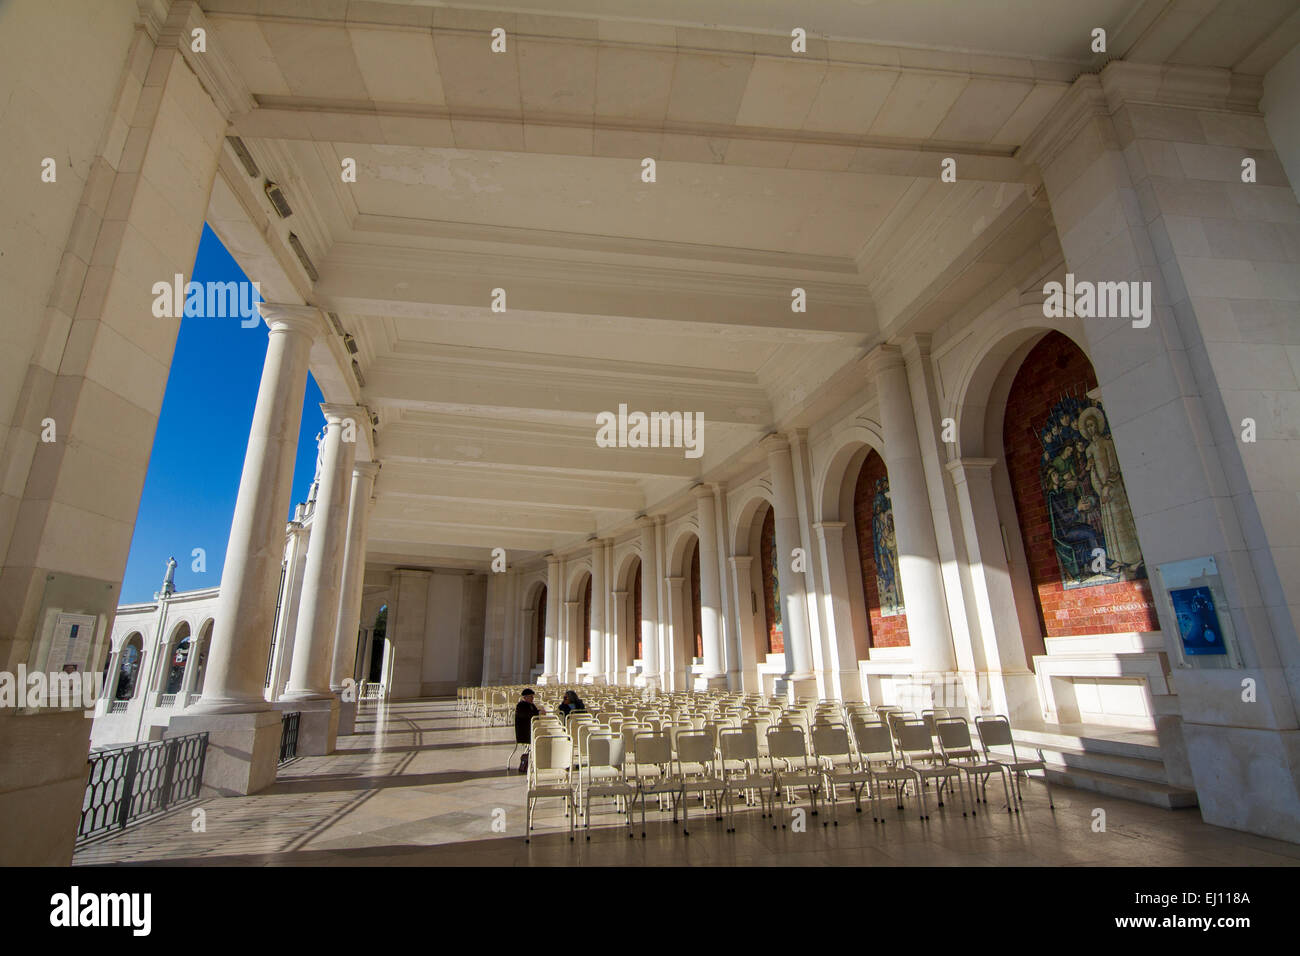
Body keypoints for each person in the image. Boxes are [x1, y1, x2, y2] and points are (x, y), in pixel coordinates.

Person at [514, 689, 545, 772]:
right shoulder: (521, 706)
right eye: (531, 696)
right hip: (524, 733)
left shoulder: (531, 705)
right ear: (525, 697)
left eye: (532, 696)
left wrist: (539, 712)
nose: (532, 698)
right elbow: (526, 715)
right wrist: (537, 713)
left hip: (531, 730)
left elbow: (533, 712)